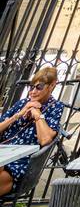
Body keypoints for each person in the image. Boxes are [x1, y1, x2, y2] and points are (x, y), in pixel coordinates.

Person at [0, 65, 62, 197]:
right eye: (31, 87)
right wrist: (18, 114)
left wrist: (37, 113)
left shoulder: (55, 107)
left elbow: (45, 140)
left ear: (51, 86)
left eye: (39, 87)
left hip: (18, 164)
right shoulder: (22, 103)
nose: (33, 91)